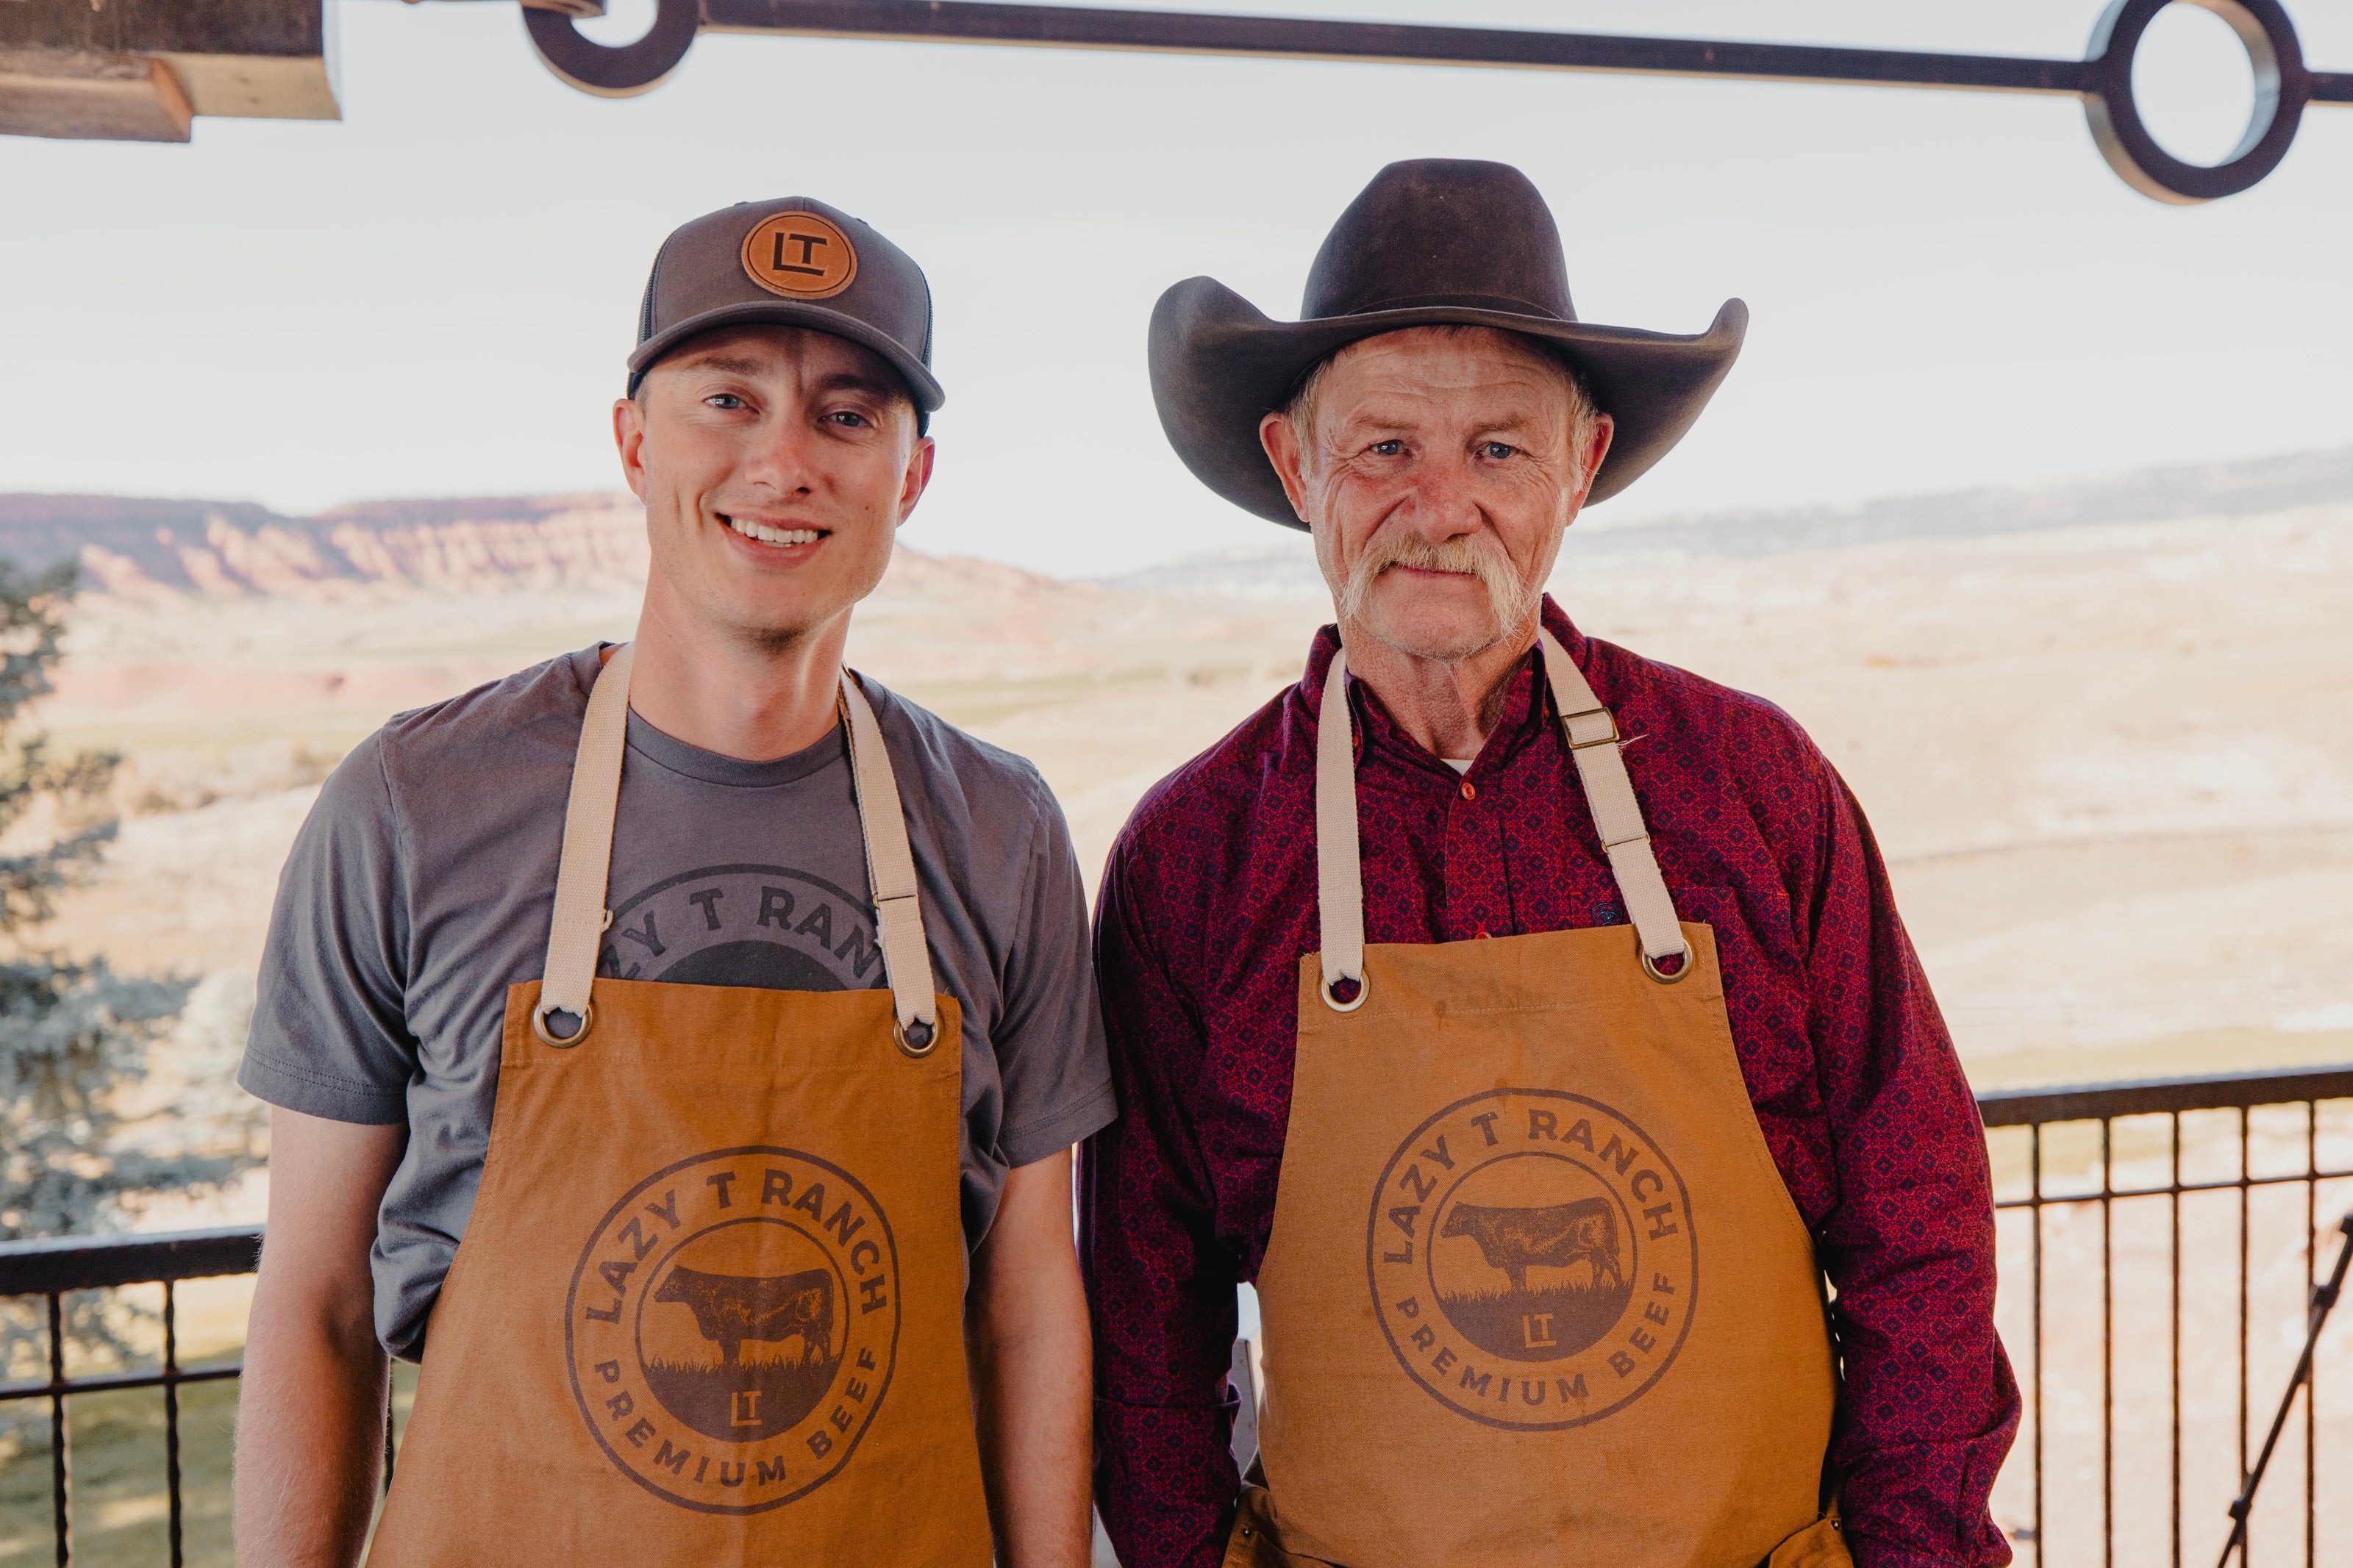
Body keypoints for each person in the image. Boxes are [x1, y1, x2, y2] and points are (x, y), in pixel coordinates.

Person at [1082, 160, 2019, 1568]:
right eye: (1385, 447)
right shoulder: (1195, 857)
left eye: (1499, 451)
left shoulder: (1752, 788)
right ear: (1295, 466)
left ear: (1580, 468)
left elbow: (1919, 1226)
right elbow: (1149, 1343)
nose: (1440, 506)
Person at [233, 196, 1112, 1567]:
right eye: (726, 398)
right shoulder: (413, 804)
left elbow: (1030, 1299)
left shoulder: (1001, 827)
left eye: (846, 414)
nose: (784, 462)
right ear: (636, 442)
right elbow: (317, 1300)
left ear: (913, 476)